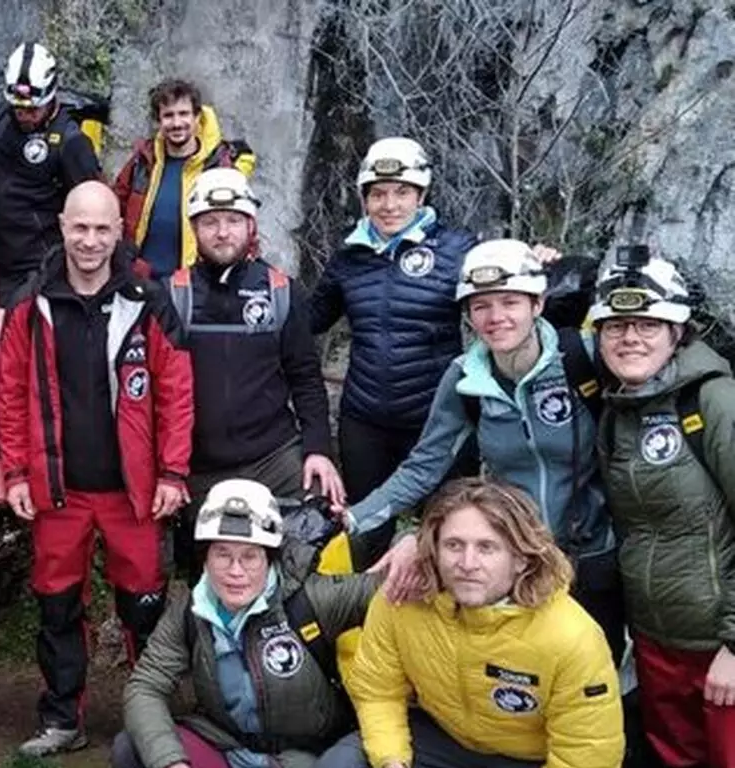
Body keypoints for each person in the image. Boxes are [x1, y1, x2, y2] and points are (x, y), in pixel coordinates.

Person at [312, 478, 624, 768]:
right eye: (454, 545)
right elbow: (378, 690)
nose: (467, 562)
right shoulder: (403, 599)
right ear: (433, 549)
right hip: (447, 735)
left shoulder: (572, 637)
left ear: (521, 558)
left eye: (487, 547)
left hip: (538, 760)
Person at [345, 239, 624, 663]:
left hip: (594, 555)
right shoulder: (466, 380)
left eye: (509, 302)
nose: (495, 318)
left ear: (538, 302)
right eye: (481, 306)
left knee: (597, 677)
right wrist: (352, 518)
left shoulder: (582, 358)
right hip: (516, 561)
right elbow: (424, 467)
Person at [0, 180, 194, 757]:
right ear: (62, 226)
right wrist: (14, 474)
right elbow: (10, 393)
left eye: (102, 228)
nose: (90, 240)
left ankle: (150, 719)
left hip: (132, 493)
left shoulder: (146, 297)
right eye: (79, 227)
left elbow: (176, 391)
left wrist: (173, 473)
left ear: (118, 231)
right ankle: (62, 718)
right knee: (57, 605)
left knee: (144, 607)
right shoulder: (29, 302)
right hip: (57, 490)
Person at [113, 479, 375, 768]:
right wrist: (170, 763)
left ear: (270, 557)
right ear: (205, 557)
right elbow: (145, 685)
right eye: (223, 555)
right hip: (233, 762)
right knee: (135, 750)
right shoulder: (190, 611)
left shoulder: (311, 599)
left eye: (250, 557)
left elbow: (389, 594)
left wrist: (418, 549)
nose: (235, 571)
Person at [587, 251, 735, 768]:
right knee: (677, 761)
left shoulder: (714, 400)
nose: (631, 337)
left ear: (679, 331)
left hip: (718, 640)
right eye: (616, 327)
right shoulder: (620, 407)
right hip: (656, 635)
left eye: (648, 323)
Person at [309, 137, 481, 569]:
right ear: (365, 197)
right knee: (366, 528)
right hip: (365, 418)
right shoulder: (349, 258)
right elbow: (307, 321)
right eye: (378, 193)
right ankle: (366, 625)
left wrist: (546, 271)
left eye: (401, 192)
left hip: (437, 419)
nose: (389, 204)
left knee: (447, 531)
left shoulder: (458, 250)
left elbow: (505, 307)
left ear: (421, 194)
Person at [166, 167, 342, 583]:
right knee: (211, 578)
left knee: (311, 541)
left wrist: (318, 448)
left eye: (232, 220)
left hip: (273, 455)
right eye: (210, 222)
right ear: (195, 228)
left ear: (250, 224)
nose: (222, 232)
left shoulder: (281, 292)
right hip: (199, 465)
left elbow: (305, 377)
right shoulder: (173, 294)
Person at [0, 42, 102, 306]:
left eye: (33, 110)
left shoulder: (71, 142)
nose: (24, 115)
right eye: (18, 108)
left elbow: (92, 207)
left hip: (38, 265)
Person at [113, 78, 255, 280]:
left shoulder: (218, 167)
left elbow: (242, 228)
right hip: (141, 281)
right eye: (168, 116)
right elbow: (114, 207)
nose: (177, 123)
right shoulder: (143, 162)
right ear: (158, 121)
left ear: (197, 116)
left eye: (184, 114)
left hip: (194, 285)